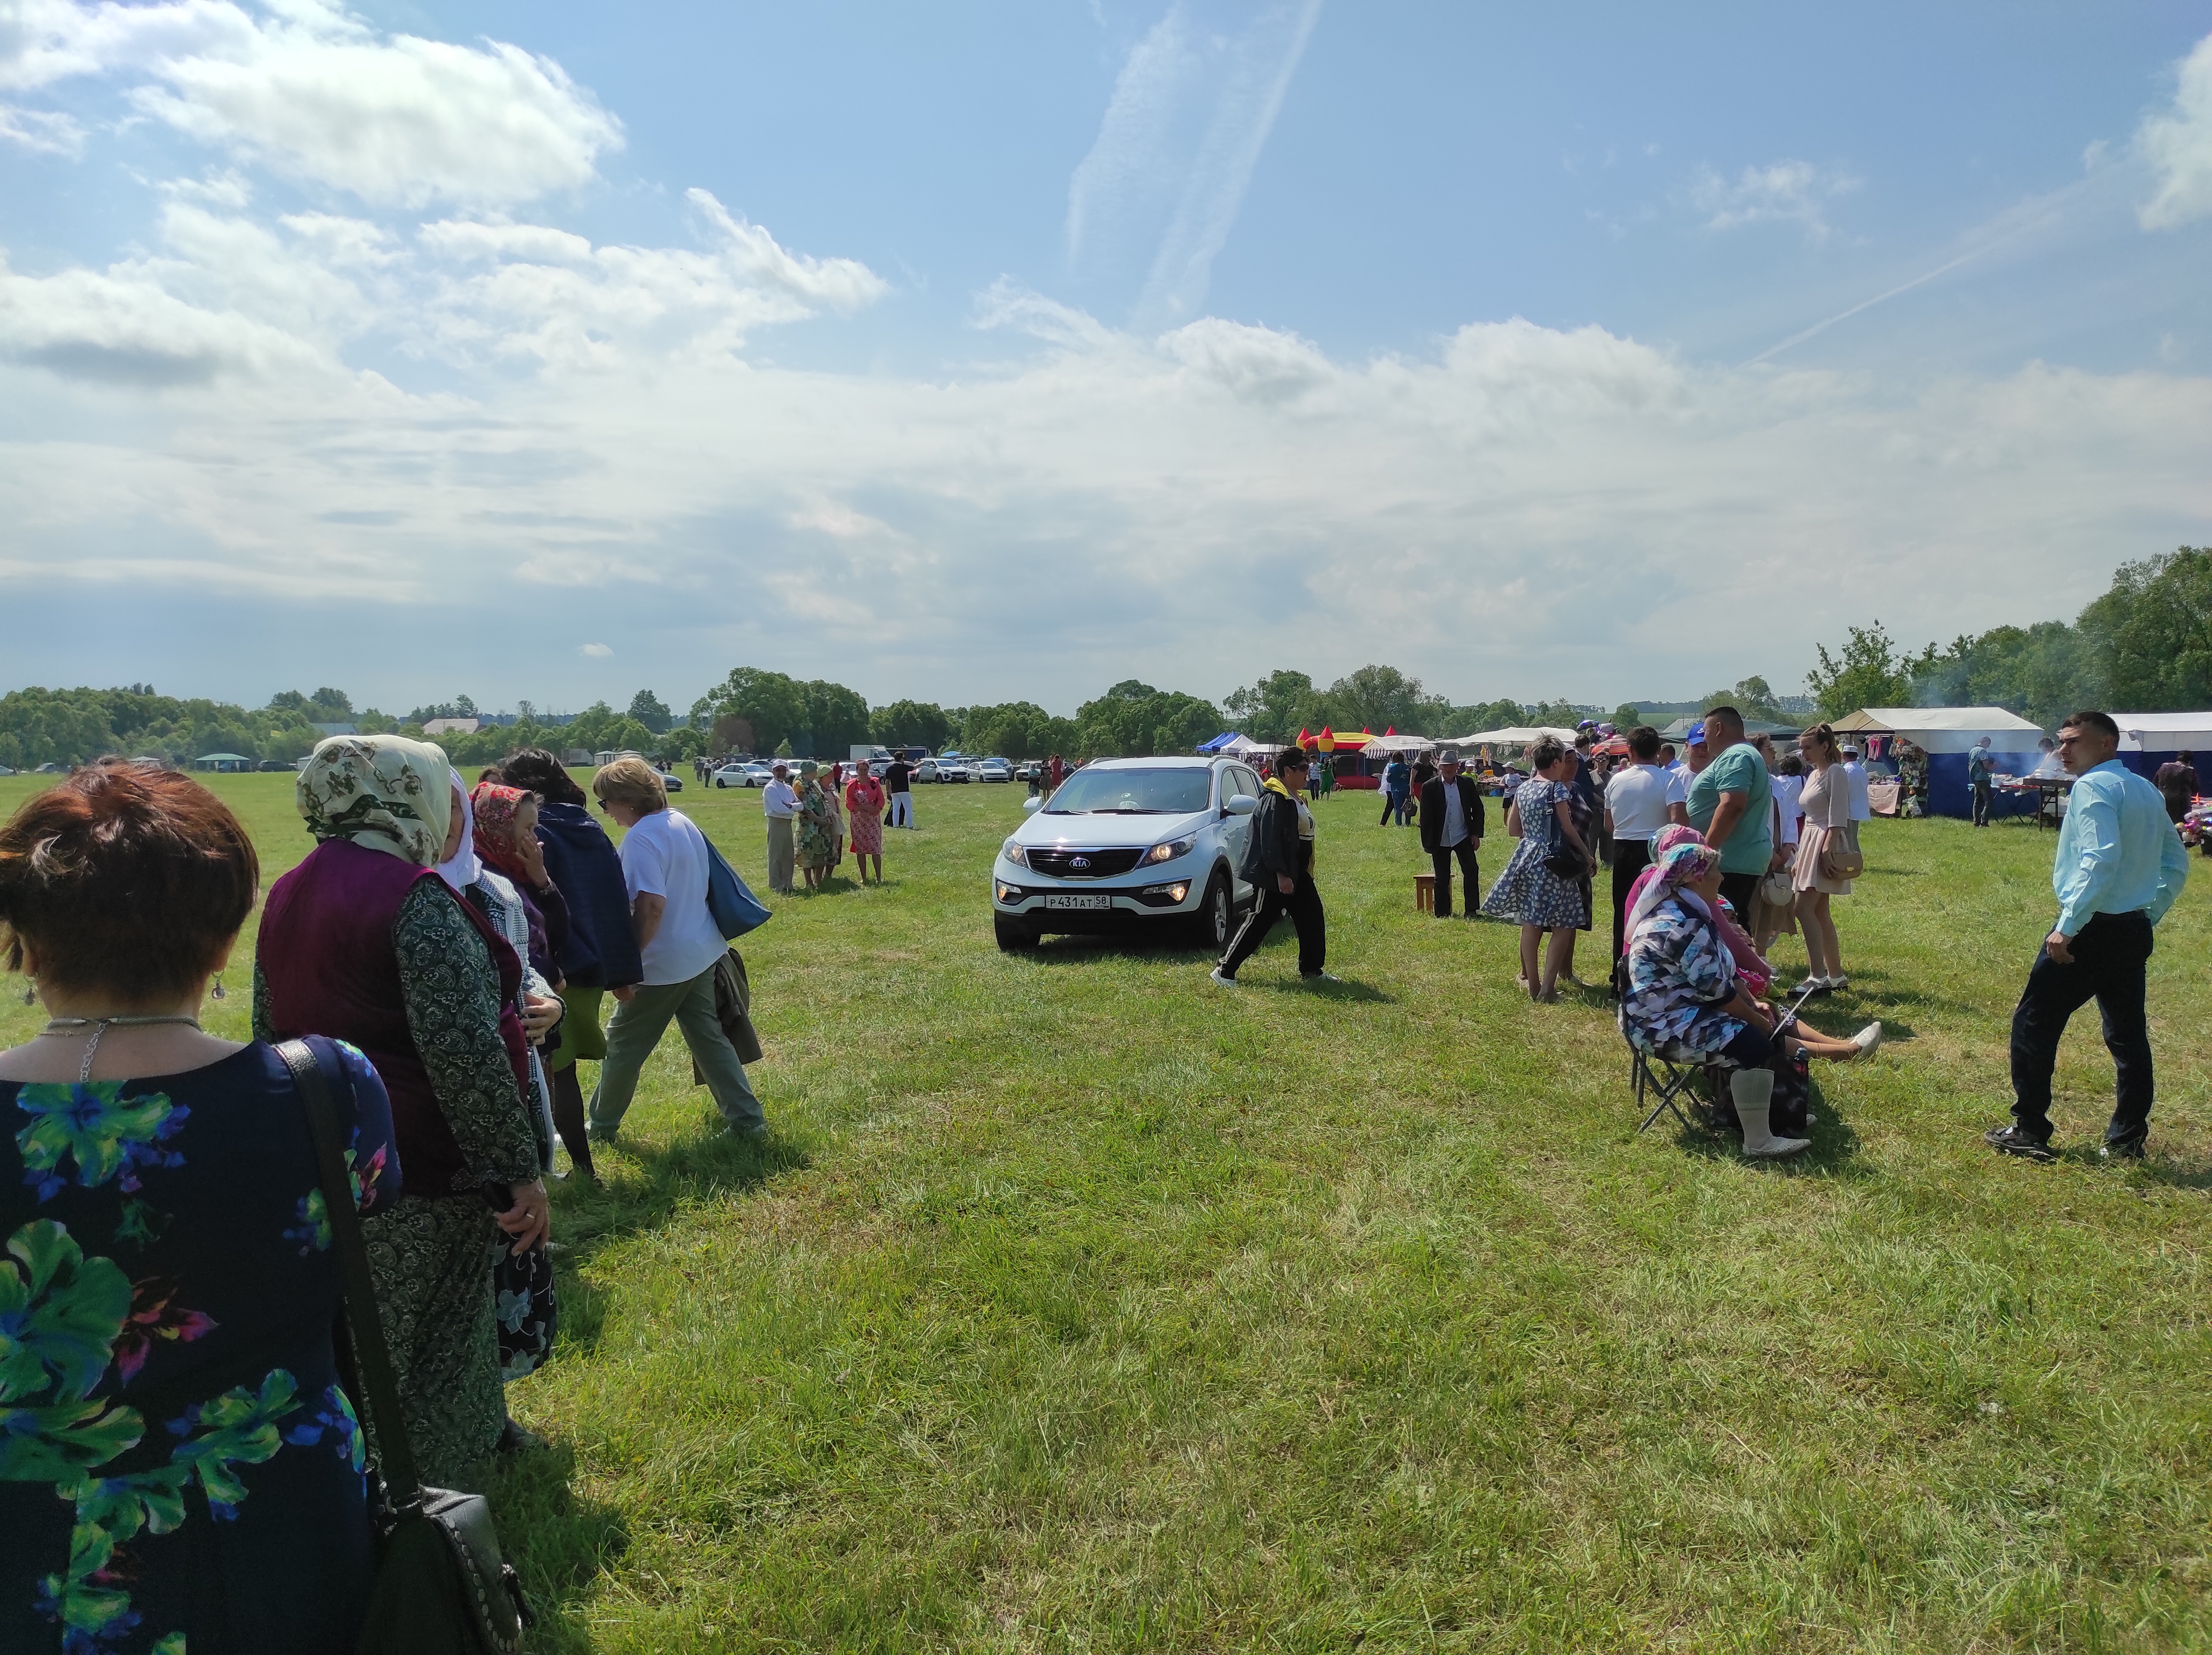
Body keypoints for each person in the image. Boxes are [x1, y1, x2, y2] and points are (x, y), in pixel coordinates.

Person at [0, 760, 402, 1653]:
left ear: (23, 936)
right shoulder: (329, 1087)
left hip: (30, 1530)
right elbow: (368, 1208)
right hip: (275, 1515)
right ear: (224, 938)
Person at [258, 736, 545, 1488]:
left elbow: (268, 1030)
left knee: (364, 1346)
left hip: (328, 1155)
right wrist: (516, 1172)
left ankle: (377, 1485)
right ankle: (435, 1511)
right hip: (420, 1166)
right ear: (402, 794)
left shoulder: (289, 889)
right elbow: (465, 1052)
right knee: (436, 1347)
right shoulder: (414, 897)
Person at [1986, 711, 2190, 1162]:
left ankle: (2030, 1130)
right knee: (2128, 1036)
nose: (2063, 750)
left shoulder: (2094, 787)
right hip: (2129, 926)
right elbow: (2176, 864)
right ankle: (2126, 1141)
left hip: (2092, 929)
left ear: (2107, 746)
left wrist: (2068, 927)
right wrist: (2146, 915)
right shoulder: (2145, 789)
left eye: (2074, 741)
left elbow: (2101, 859)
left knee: (2034, 1023)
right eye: (2062, 741)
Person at [584, 759, 765, 1144]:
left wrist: (627, 967)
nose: (606, 812)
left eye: (605, 803)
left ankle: (601, 1129)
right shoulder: (680, 820)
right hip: (702, 952)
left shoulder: (641, 838)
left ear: (627, 800)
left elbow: (651, 907)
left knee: (623, 1046)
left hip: (662, 965)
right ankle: (748, 1120)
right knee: (710, 1039)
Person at [495, 748, 642, 1185]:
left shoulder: (535, 832)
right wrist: (620, 969)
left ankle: (580, 1170)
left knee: (555, 1073)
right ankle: (574, 1165)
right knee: (561, 1071)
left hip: (552, 970)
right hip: (591, 967)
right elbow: (613, 901)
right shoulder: (590, 827)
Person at [1480, 736, 1593, 1001]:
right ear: (1555, 762)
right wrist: (1587, 856)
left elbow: (1513, 829)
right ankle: (1547, 989)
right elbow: (1568, 828)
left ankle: (1532, 984)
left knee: (1530, 923)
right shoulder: (1558, 790)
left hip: (1527, 856)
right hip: (1554, 859)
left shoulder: (1523, 788)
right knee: (1564, 923)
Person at [1212, 747, 1333, 986]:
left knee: (1312, 917)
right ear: (1287, 771)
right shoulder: (1275, 799)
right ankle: (1225, 970)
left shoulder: (1294, 796)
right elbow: (1270, 840)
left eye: (1307, 768)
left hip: (1298, 870)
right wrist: (1281, 874)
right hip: (1276, 872)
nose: (1306, 773)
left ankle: (1312, 969)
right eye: (1302, 768)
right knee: (1260, 920)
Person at [1684, 706, 1773, 919]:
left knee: (1728, 928)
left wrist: (1705, 856)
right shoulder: (1742, 754)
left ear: (1718, 729)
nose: (1704, 739)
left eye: (1705, 732)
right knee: (1732, 925)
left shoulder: (1736, 756)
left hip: (1729, 862)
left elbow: (1732, 805)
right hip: (1734, 859)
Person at [1790, 723, 1856, 994]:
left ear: (1825, 747)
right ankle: (1836, 975)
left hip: (1824, 842)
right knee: (1819, 911)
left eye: (1808, 747)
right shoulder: (1815, 774)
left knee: (1803, 909)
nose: (1803, 753)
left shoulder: (1835, 772)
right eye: (1802, 748)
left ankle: (1817, 976)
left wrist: (1827, 850)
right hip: (1811, 840)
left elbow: (1838, 815)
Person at [1603, 725, 1672, 963]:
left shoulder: (1616, 781)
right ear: (1658, 750)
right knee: (1657, 912)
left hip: (1623, 848)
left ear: (1630, 751)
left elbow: (1608, 825)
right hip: (1656, 852)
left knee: (1624, 912)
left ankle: (1620, 970)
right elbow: (1680, 820)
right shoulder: (1669, 779)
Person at [1418, 748, 1486, 917]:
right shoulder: (1430, 787)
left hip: (1463, 835)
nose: (1448, 769)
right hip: (1440, 838)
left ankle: (1471, 910)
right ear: (1439, 767)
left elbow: (1478, 809)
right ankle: (1443, 913)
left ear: (1458, 766)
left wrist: (1476, 834)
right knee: (1442, 876)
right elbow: (1426, 818)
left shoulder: (1467, 784)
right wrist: (1428, 843)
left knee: (1471, 870)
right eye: (1444, 765)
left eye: (1451, 765)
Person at [794, 762, 836, 891]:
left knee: (822, 852)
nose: (816, 772)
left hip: (822, 825)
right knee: (808, 854)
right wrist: (819, 820)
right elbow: (804, 807)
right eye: (814, 769)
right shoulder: (799, 784)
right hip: (809, 827)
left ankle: (818, 881)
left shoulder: (814, 784)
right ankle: (809, 883)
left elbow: (823, 800)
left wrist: (827, 817)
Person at [846, 761, 886, 884]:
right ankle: (864, 878)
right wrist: (862, 810)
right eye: (861, 770)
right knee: (861, 850)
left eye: (865, 770)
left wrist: (872, 811)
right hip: (858, 821)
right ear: (857, 771)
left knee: (875, 849)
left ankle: (879, 878)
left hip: (873, 820)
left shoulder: (875, 783)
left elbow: (881, 800)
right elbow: (849, 802)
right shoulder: (852, 784)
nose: (863, 772)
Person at [762, 761, 800, 892]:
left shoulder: (788, 788)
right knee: (776, 855)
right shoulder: (770, 788)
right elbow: (778, 808)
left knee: (788, 855)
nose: (781, 773)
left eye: (783, 770)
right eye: (778, 770)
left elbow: (800, 805)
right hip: (776, 822)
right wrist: (791, 808)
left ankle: (788, 884)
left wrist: (790, 806)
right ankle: (776, 884)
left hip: (787, 823)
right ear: (773, 771)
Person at [2154, 749, 2198, 825]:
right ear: (2189, 761)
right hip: (2181, 805)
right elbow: (2196, 789)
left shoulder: (2163, 768)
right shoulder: (2189, 771)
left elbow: (2155, 784)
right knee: (2182, 829)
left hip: (2163, 802)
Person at [1840, 742, 1873, 828]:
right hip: (1858, 808)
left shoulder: (1845, 770)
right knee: (1852, 835)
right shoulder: (1862, 771)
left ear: (1843, 756)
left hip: (1848, 810)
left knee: (1848, 838)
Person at [1968, 736, 1997, 828]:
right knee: (1989, 801)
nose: (1988, 747)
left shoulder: (1973, 750)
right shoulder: (1982, 751)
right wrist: (1994, 766)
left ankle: (1976, 823)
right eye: (1988, 744)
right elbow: (1986, 766)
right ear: (1985, 742)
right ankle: (1984, 822)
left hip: (1975, 778)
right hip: (1983, 778)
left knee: (1978, 801)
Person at [884, 753, 915, 828]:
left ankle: (896, 825)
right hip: (904, 791)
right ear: (901, 759)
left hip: (894, 791)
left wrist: (888, 791)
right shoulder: (903, 767)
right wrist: (920, 764)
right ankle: (910, 825)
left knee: (896, 809)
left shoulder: (889, 769)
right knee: (908, 808)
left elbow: (887, 782)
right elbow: (913, 768)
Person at [1380, 756, 1410, 826]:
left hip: (1396, 790)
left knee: (1398, 808)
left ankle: (1399, 823)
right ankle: (1408, 823)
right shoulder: (1408, 768)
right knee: (1407, 806)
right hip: (1406, 789)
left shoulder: (1392, 768)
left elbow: (1389, 780)